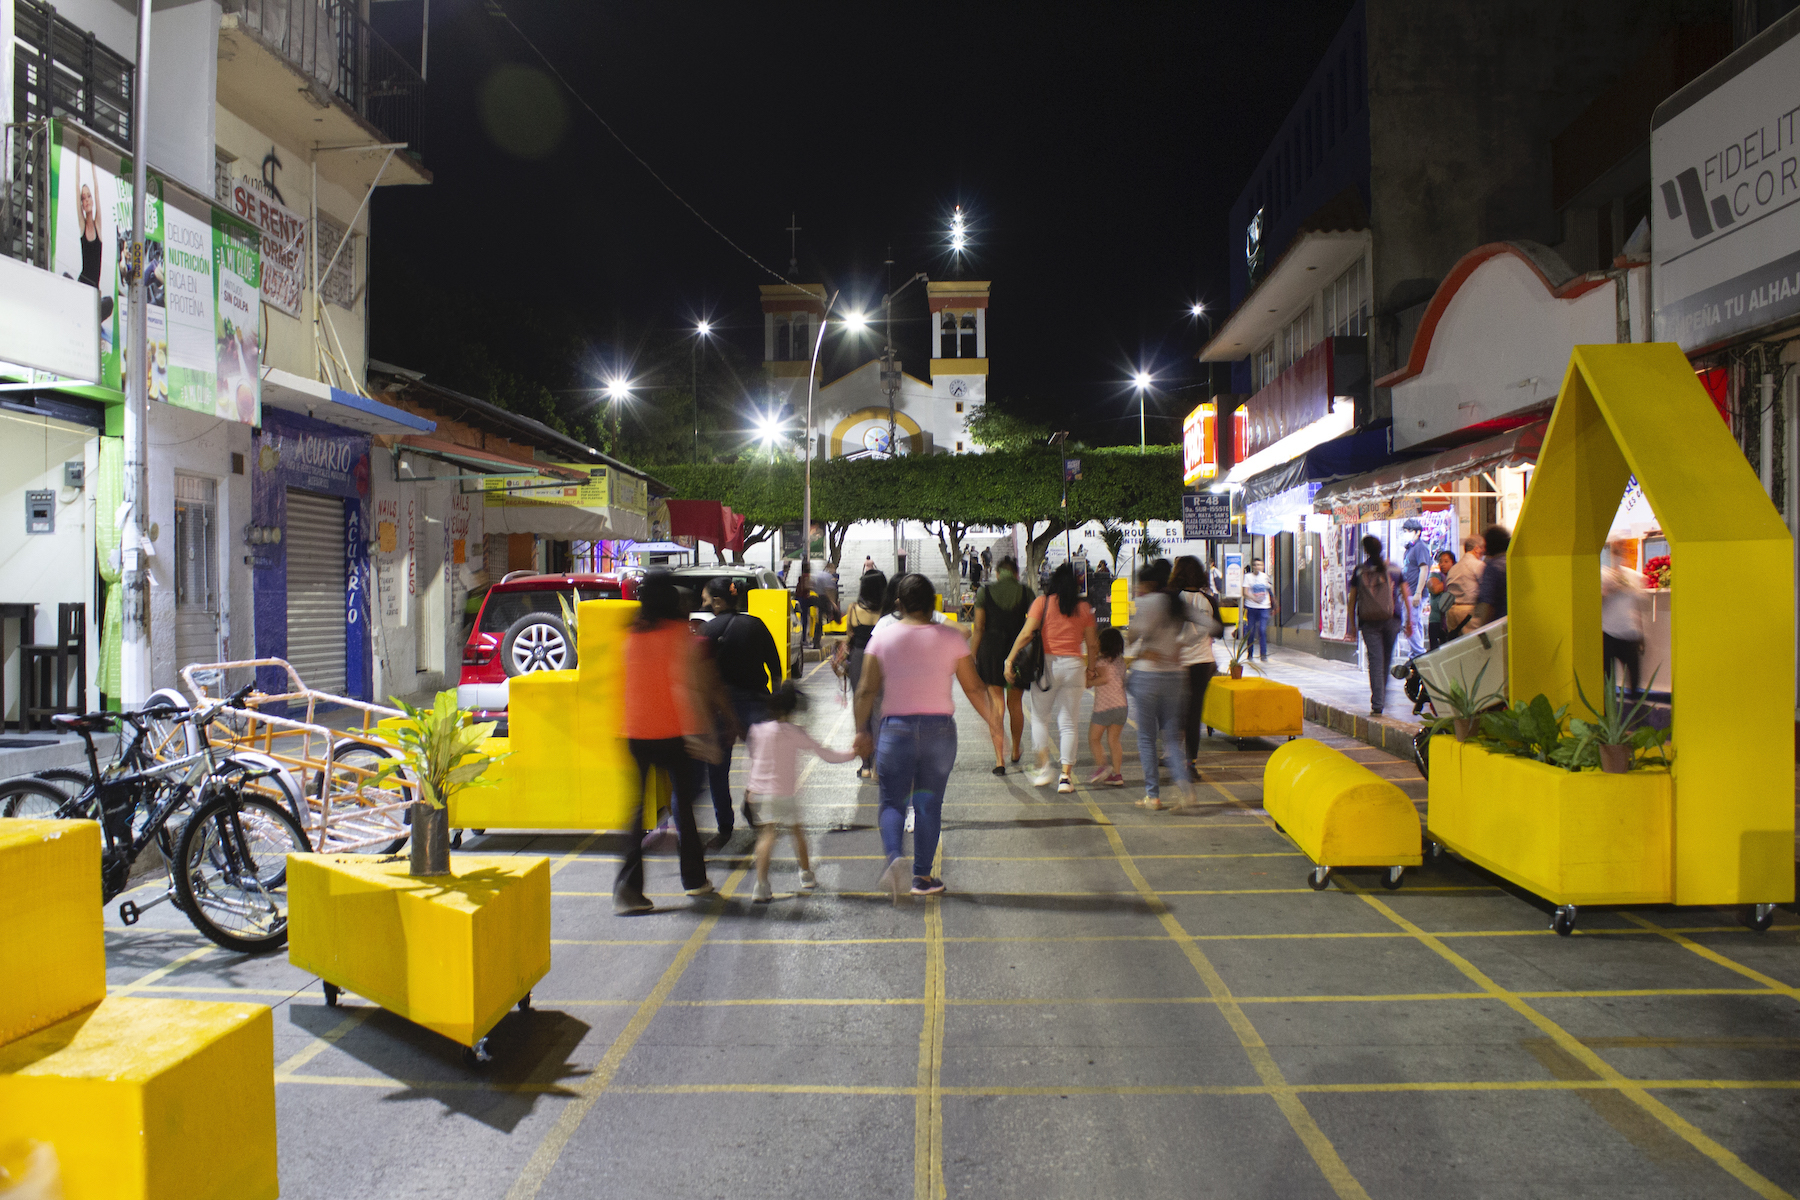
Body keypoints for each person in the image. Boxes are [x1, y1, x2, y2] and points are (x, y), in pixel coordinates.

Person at [855, 573, 999, 900]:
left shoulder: (882, 638)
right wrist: (993, 722)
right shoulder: (951, 638)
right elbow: (974, 687)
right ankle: (922, 877)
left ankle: (895, 858)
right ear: (933, 603)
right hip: (939, 732)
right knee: (929, 805)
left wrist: (861, 730)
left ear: (899, 603)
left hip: (895, 731)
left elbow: (865, 690)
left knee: (892, 802)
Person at [615, 570, 717, 913]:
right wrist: (701, 734)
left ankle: (628, 891)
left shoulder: (631, 633)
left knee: (635, 811)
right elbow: (685, 686)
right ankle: (694, 880)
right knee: (683, 807)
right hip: (673, 733)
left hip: (634, 732)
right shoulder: (678, 633)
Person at [746, 682, 857, 903]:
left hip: (759, 793)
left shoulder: (757, 731)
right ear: (792, 709)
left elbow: (750, 761)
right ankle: (806, 875)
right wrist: (853, 753)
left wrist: (749, 787)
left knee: (767, 835)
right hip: (785, 793)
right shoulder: (795, 732)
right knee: (797, 832)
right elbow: (826, 754)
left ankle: (761, 886)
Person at [698, 577, 784, 851]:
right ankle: (751, 803)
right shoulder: (756, 624)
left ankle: (724, 827)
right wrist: (775, 701)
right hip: (756, 703)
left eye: (706, 600)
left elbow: (702, 676)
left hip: (719, 708)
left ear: (718, 601)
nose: (704, 604)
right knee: (763, 762)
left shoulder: (708, 630)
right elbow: (775, 666)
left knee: (717, 770)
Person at [1005, 563, 1099, 793]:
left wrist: (1010, 659)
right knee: (1069, 723)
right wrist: (1091, 669)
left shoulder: (1042, 603)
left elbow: (1027, 633)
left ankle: (1044, 768)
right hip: (1074, 667)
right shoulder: (1084, 608)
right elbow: (1093, 644)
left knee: (1040, 719)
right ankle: (1066, 777)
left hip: (1046, 667)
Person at [1124, 564, 1199, 811]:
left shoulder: (1148, 602)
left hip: (1147, 675)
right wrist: (1181, 644)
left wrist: (1145, 643)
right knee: (1171, 740)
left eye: (1139, 583)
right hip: (1175, 677)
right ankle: (1185, 789)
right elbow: (1210, 625)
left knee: (1147, 738)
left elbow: (1133, 636)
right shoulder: (1177, 603)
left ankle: (1153, 796)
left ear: (1149, 583)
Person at [969, 556, 1034, 774]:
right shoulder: (1025, 592)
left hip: (991, 651)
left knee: (996, 704)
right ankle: (1015, 749)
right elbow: (1033, 624)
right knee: (1015, 704)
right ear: (1016, 573)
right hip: (1017, 652)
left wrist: (972, 655)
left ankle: (999, 760)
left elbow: (979, 627)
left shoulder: (984, 592)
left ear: (997, 573)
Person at [1169, 556, 1222, 771]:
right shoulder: (1209, 600)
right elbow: (1218, 631)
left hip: (1179, 662)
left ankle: (1173, 754)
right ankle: (1191, 762)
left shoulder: (1174, 599)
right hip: (1203, 661)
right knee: (1194, 712)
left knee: (1176, 710)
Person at [1350, 535, 1412, 717]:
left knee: (1375, 661)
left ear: (1366, 551)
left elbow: (1352, 600)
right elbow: (1406, 595)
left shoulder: (1359, 571)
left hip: (1368, 621)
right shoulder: (1394, 569)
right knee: (1386, 660)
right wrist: (1410, 620)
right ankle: (1381, 698)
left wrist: (1352, 625)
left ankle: (1378, 702)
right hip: (1392, 619)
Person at [842, 570, 886, 778]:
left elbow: (849, 635)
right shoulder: (886, 613)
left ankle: (865, 765)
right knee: (879, 708)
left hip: (859, 658)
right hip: (880, 658)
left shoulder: (853, 609)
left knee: (861, 705)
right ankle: (878, 763)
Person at [1601, 539, 1647, 696]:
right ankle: (1606, 708)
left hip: (1629, 633)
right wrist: (1607, 591)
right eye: (1618, 548)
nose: (1621, 552)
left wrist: (1640, 633)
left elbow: (1637, 606)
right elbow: (1596, 602)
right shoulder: (1604, 574)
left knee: (1635, 678)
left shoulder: (1633, 576)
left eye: (1624, 548)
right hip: (1609, 633)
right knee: (1606, 678)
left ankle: (1635, 706)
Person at [1086, 627, 1128, 786]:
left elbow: (1104, 679)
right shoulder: (1120, 662)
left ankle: (1102, 766)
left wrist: (1089, 681)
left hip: (1104, 706)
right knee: (1114, 740)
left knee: (1094, 738)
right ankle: (1117, 775)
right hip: (1121, 706)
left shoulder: (1101, 662)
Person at [1400, 519, 1434, 657]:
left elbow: (1424, 569)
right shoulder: (1410, 548)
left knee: (1409, 623)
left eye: (1408, 531)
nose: (1406, 533)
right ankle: (1417, 652)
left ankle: (1419, 653)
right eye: (1405, 531)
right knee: (1415, 623)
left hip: (1415, 592)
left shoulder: (1420, 547)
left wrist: (1418, 593)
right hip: (1409, 592)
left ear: (1417, 532)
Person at [1470, 525, 1510, 629]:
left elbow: (1487, 604)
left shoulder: (1492, 567)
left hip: (1499, 625)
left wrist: (1482, 629)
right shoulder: (1512, 562)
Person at [1445, 536, 1485, 634]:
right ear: (1477, 548)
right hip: (1468, 612)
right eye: (1483, 548)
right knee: (1472, 642)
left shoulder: (1454, 568)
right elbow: (1485, 588)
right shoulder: (1478, 565)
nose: (1483, 552)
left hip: (1451, 611)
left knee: (1455, 642)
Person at [1240, 557, 1274, 663]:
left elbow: (1270, 590)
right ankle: (1250, 653)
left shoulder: (1265, 577)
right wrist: (1254, 598)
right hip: (1251, 607)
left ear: (1263, 566)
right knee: (1251, 631)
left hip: (1264, 607)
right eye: (1255, 565)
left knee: (1262, 630)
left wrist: (1273, 602)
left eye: (1259, 565)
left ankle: (1263, 654)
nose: (1257, 567)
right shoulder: (1247, 577)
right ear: (1252, 566)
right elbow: (1245, 592)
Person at [1426, 551, 1457, 652]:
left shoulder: (1457, 576)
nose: (1442, 564)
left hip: (1451, 621)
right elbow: (1435, 588)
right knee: (1435, 651)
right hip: (1436, 621)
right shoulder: (1435, 575)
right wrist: (1452, 581)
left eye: (1446, 561)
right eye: (1440, 561)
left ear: (1453, 563)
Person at [1090, 559, 1114, 626]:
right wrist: (1097, 568)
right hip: (1100, 591)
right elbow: (1095, 575)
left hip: (1104, 591)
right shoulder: (1100, 571)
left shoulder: (1106, 571)